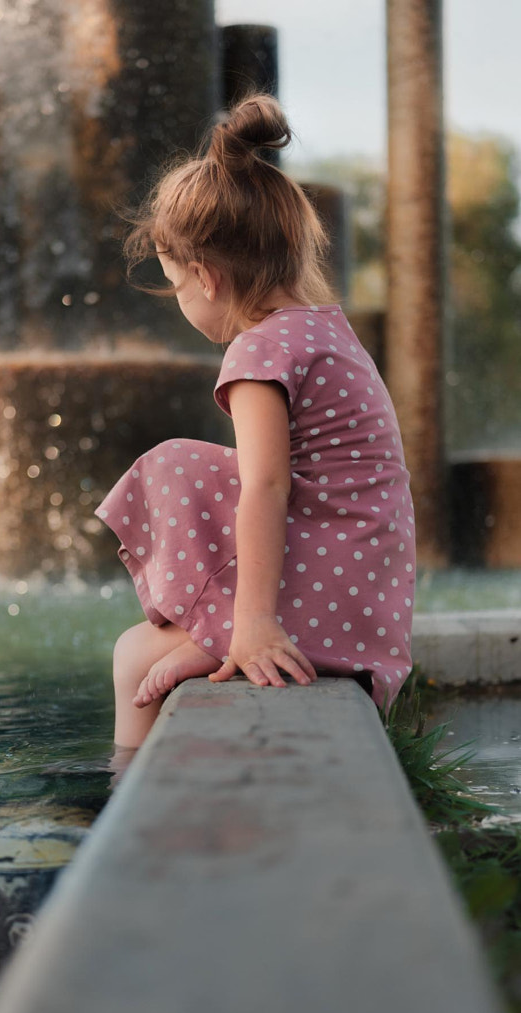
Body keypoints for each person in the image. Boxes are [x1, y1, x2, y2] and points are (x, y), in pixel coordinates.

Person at [95, 93, 416, 751]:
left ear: (206, 277)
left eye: (174, 285)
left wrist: (253, 625)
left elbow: (266, 489)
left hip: (326, 601)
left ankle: (121, 797)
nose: (180, 301)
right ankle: (201, 635)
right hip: (362, 592)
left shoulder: (259, 350)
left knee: (134, 652)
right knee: (139, 650)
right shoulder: (324, 331)